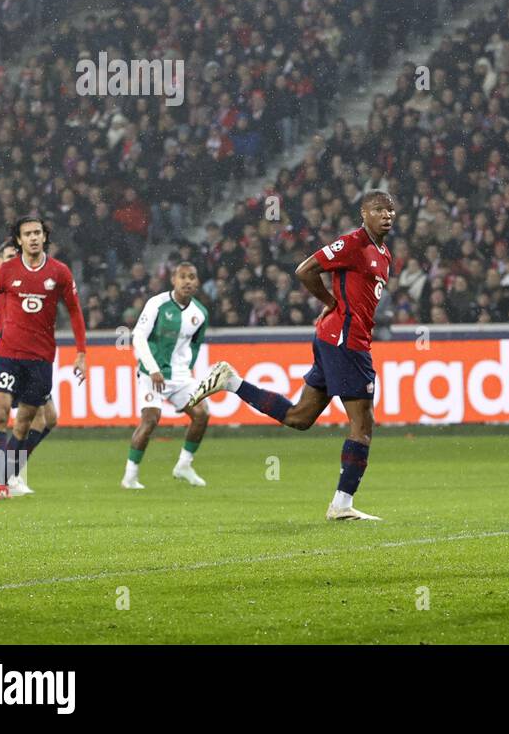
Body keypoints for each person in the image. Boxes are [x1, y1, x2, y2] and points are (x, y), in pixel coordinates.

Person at [189, 191, 396, 520]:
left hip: (340, 339)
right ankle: (342, 504)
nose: (387, 215)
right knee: (363, 424)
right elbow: (304, 270)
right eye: (378, 209)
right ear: (364, 213)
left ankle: (231, 381)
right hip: (345, 341)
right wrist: (329, 303)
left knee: (300, 418)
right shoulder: (353, 243)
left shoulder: (384, 254)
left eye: (390, 210)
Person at [0, 217, 87, 500]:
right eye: (27, 234)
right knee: (0, 411)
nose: (33, 238)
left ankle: (6, 476)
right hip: (8, 354)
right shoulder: (6, 271)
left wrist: (81, 353)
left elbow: (76, 311)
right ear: (18, 240)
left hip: (40, 358)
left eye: (37, 233)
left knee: (25, 423)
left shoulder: (60, 272)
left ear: (45, 237)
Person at [123, 262, 213, 489]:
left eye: (192, 277)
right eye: (182, 277)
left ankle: (184, 465)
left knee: (202, 414)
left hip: (180, 377)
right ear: (173, 280)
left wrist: (187, 368)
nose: (187, 281)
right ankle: (130, 476)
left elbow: (195, 345)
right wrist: (153, 368)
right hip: (150, 374)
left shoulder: (200, 313)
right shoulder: (157, 304)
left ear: (197, 281)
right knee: (151, 420)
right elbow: (139, 337)